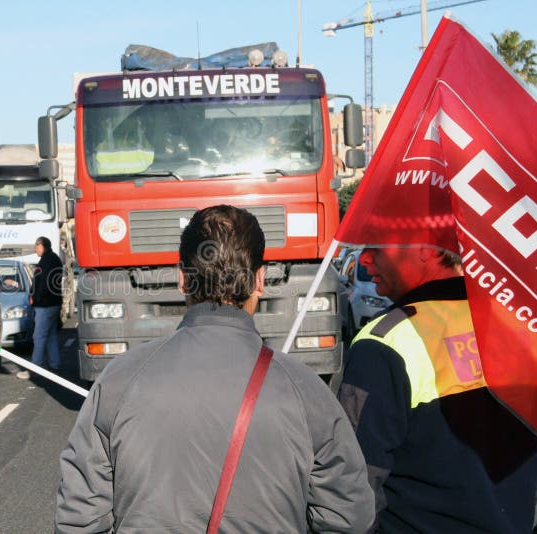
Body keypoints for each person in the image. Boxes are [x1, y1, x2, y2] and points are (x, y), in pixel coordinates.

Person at [55, 205, 374, 532]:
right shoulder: (307, 391)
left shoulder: (119, 381)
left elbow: (80, 520)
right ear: (260, 281)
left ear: (182, 279)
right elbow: (349, 518)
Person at [337, 245, 537, 532]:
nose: (365, 258)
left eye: (377, 245)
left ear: (426, 248)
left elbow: (354, 481)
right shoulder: (519, 325)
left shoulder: (385, 341)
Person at [17, 236, 63, 380]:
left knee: (39, 336)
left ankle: (34, 368)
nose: (35, 249)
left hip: (45, 304)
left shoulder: (46, 261)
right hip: (53, 302)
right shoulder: (54, 259)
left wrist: (35, 297)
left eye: (36, 246)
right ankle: (55, 364)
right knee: (50, 335)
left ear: (42, 246)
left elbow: (43, 284)